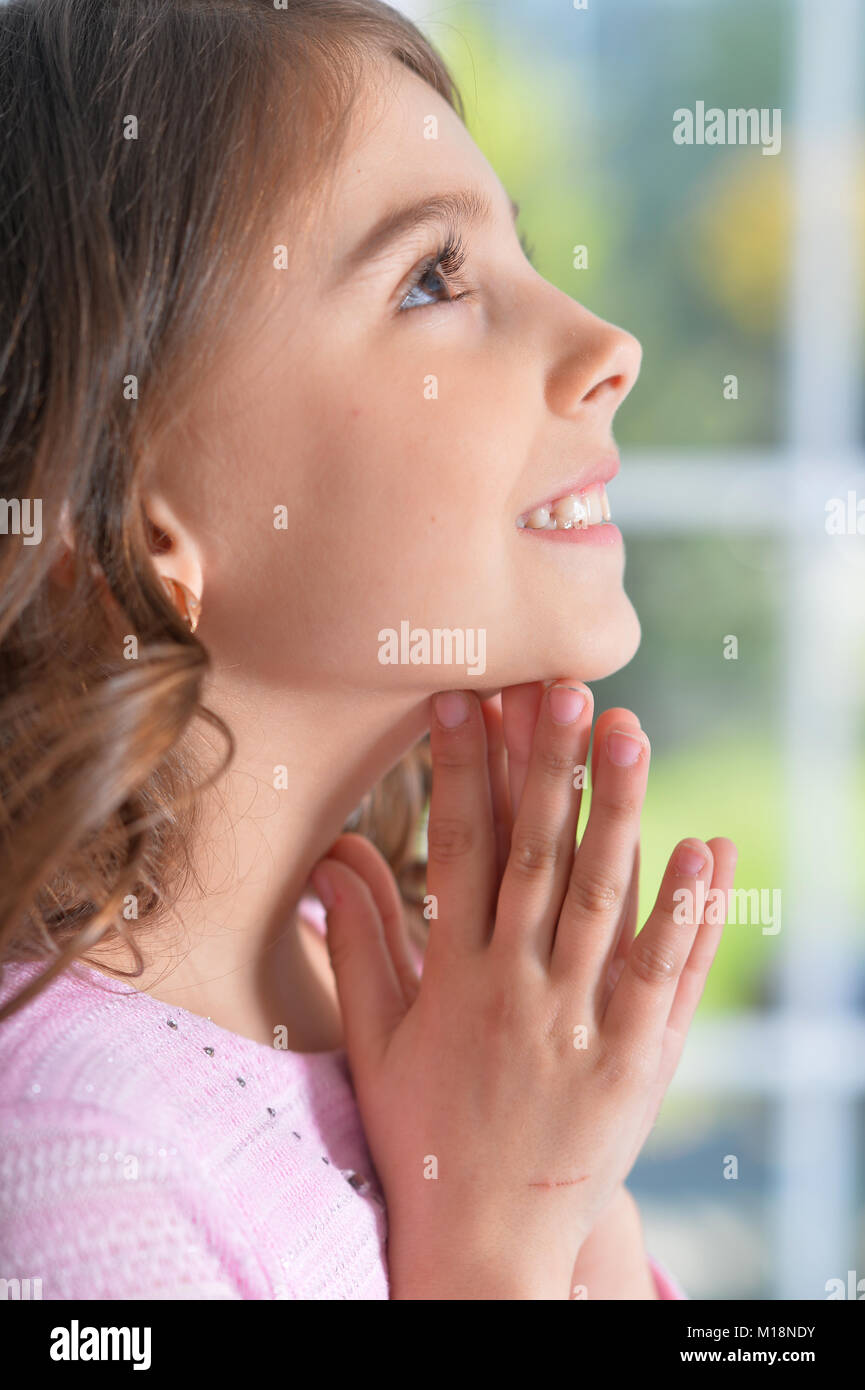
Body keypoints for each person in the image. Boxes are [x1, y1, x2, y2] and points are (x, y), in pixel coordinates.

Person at [0, 0, 736, 1299]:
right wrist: (496, 1251)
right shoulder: (68, 1172)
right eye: (432, 278)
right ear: (135, 525)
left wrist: (572, 1174)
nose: (606, 346)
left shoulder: (423, 1009)